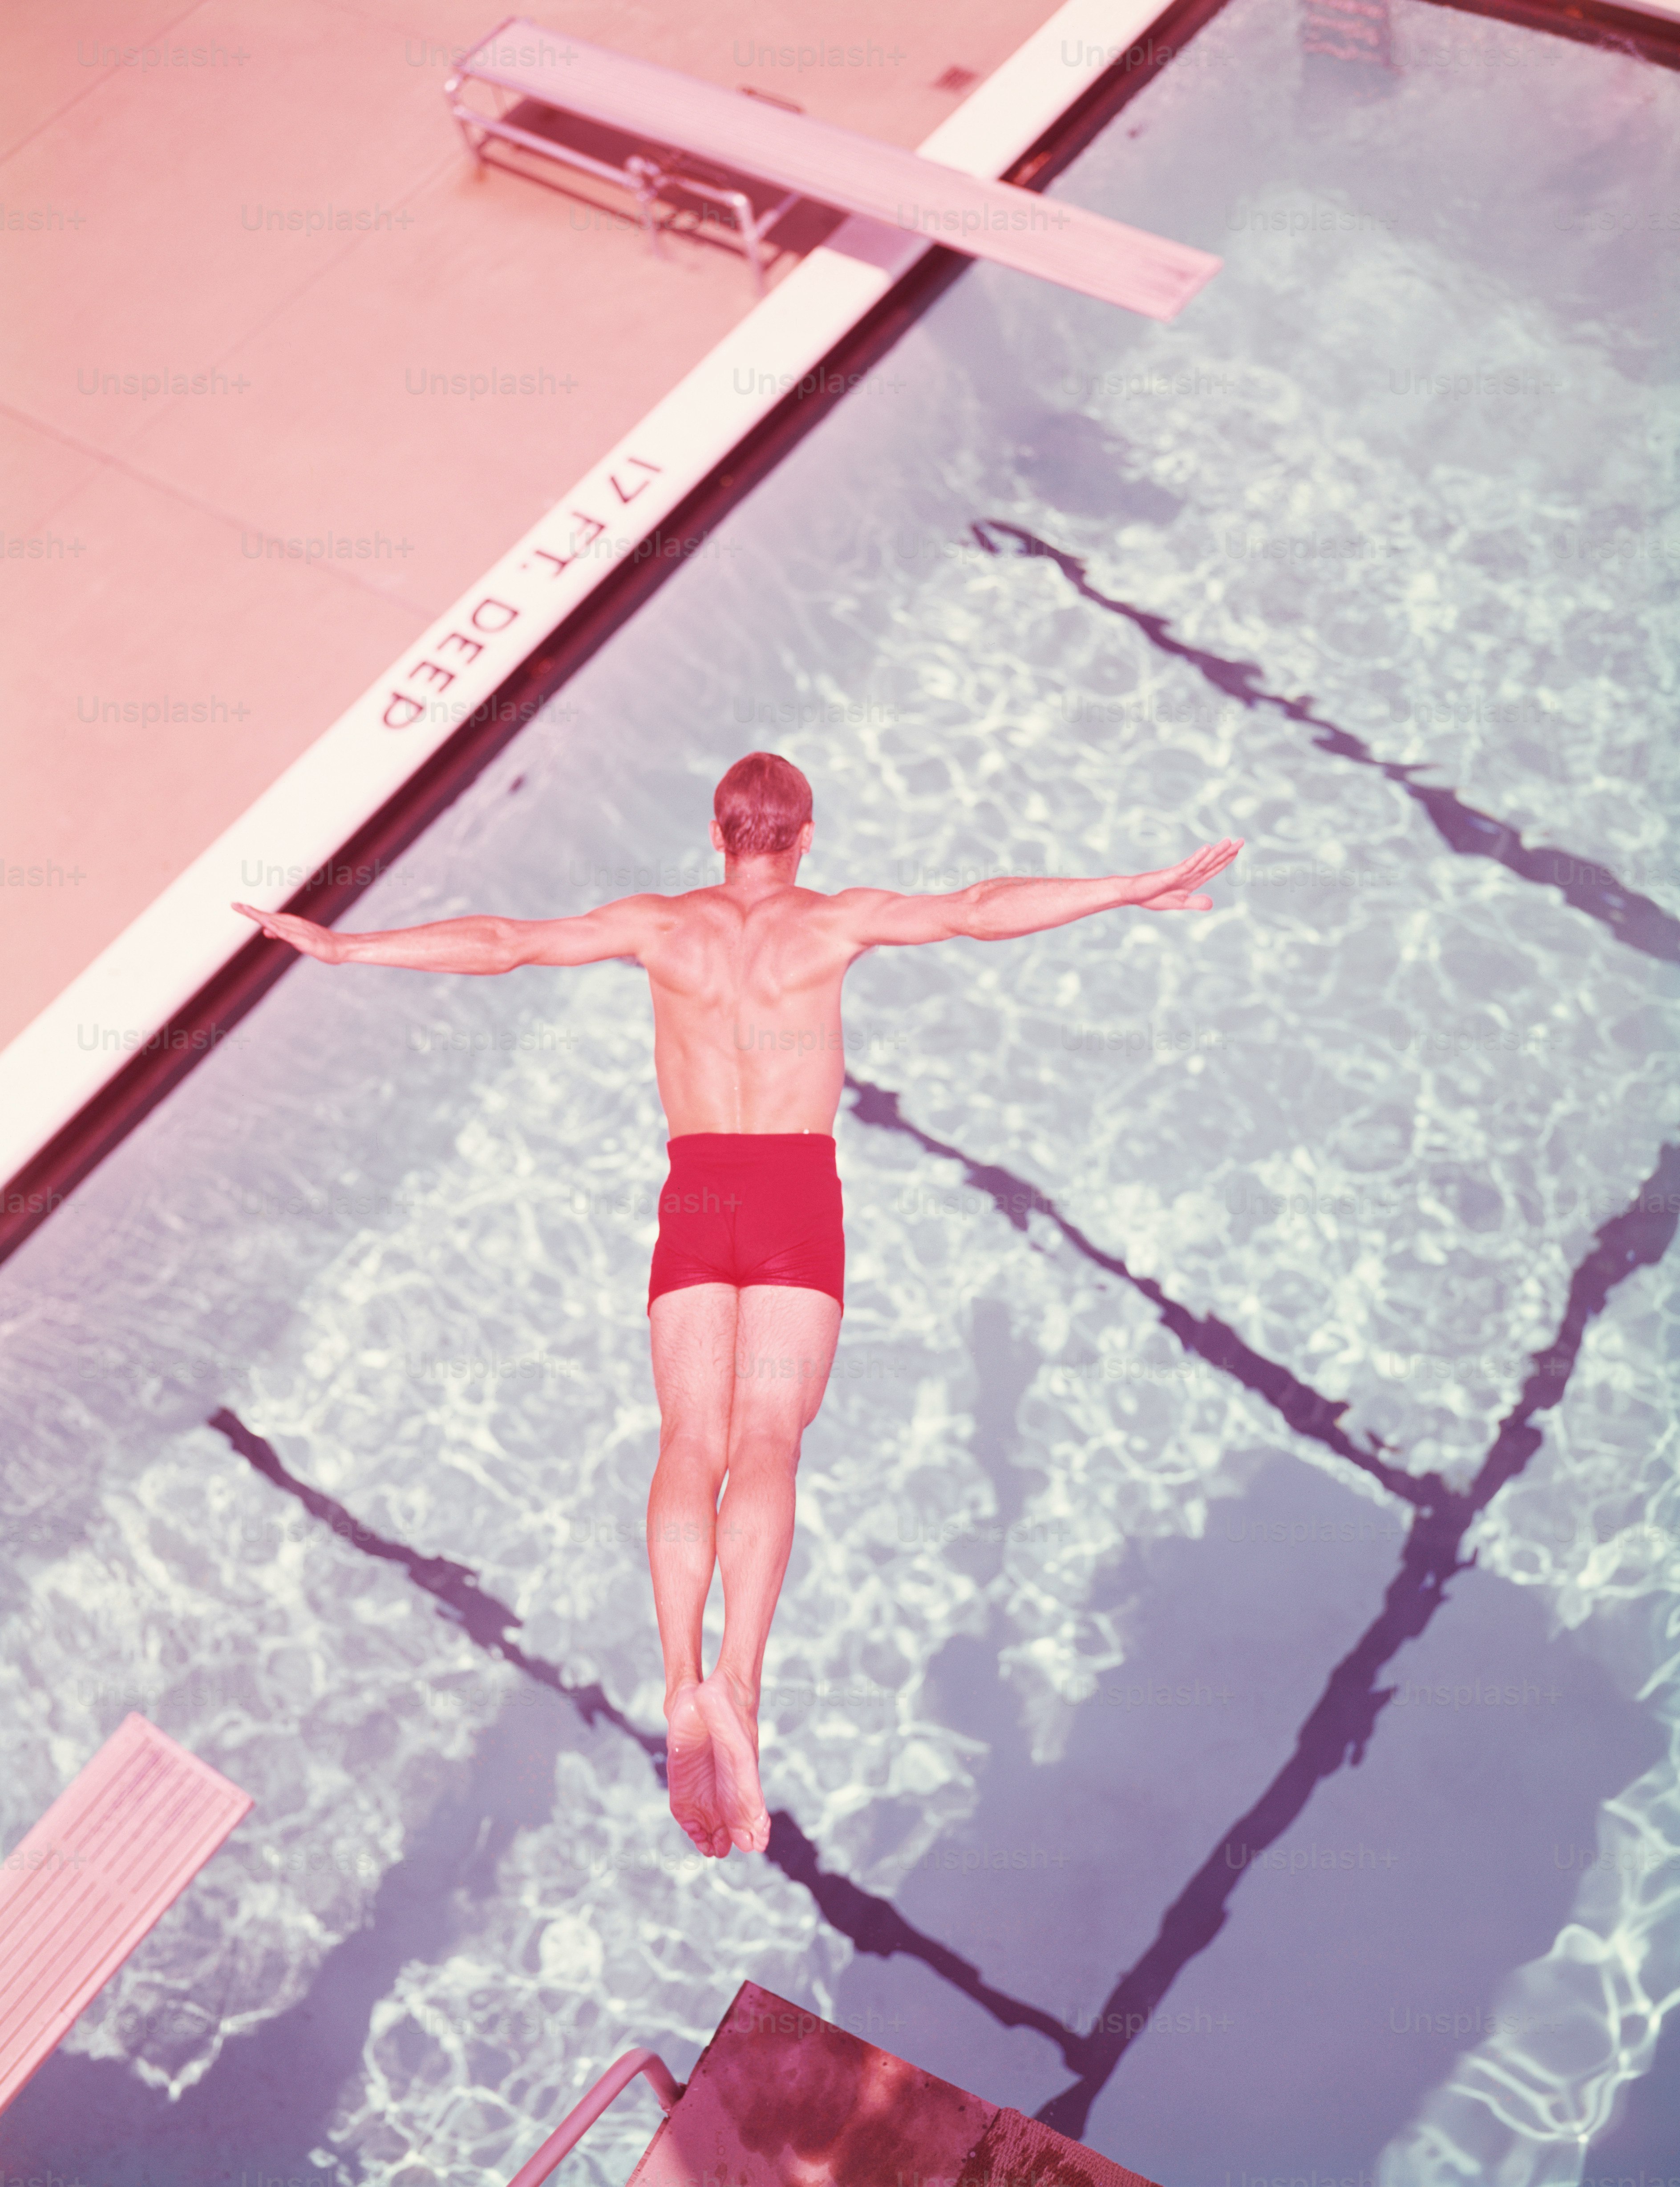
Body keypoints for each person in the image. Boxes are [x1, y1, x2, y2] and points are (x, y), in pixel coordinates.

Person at [235, 752, 1241, 1859]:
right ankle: (738, 1688)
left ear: (716, 835)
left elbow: (507, 942)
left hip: (699, 1187)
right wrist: (1124, 886)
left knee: (690, 1439)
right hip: (793, 1194)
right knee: (767, 1438)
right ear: (804, 835)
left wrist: (346, 947)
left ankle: (676, 1678)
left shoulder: (660, 926)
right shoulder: (833, 920)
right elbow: (976, 909)